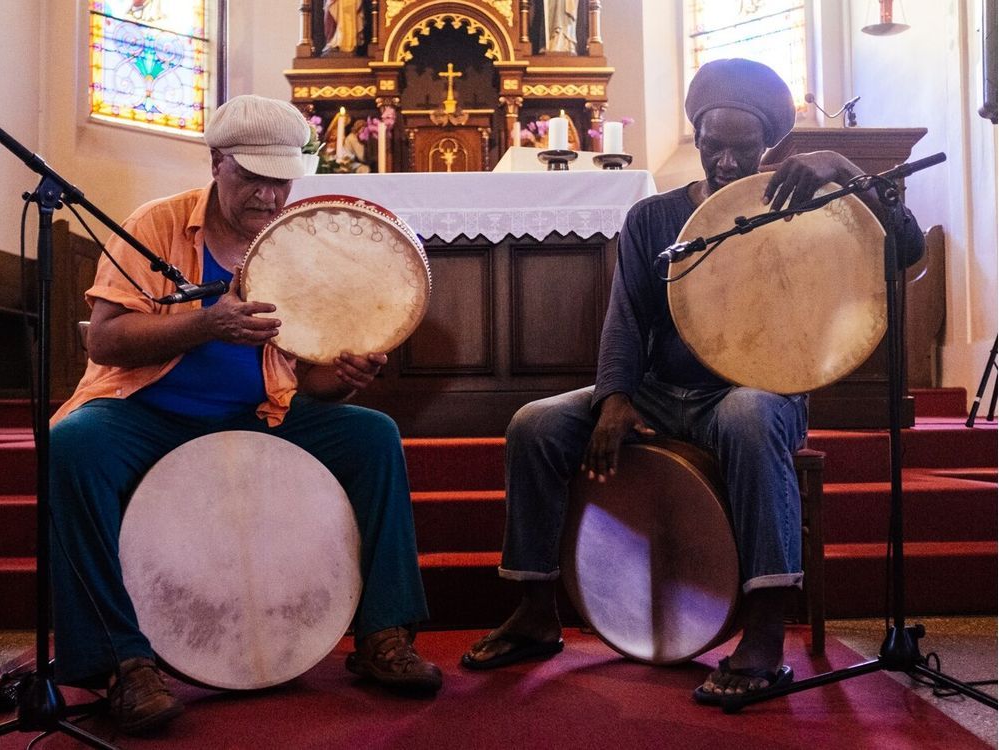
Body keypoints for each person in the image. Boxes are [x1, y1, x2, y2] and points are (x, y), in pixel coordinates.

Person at [461, 59, 924, 703]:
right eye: (715, 145)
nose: (729, 161)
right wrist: (615, 397)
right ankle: (538, 609)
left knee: (751, 415)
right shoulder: (653, 218)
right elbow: (626, 316)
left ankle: (763, 629)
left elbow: (905, 250)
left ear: (769, 146)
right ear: (697, 137)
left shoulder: (804, 202)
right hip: (660, 389)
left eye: (744, 148)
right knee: (535, 424)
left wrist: (844, 171)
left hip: (754, 390)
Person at [49, 94, 441, 735]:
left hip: (264, 412)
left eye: (280, 180)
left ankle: (382, 635)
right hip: (145, 411)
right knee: (73, 443)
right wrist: (208, 324)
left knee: (372, 435)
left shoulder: (302, 239)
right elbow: (104, 340)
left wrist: (340, 379)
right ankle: (121, 661)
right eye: (253, 178)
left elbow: (309, 381)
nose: (268, 196)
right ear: (216, 163)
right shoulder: (156, 224)